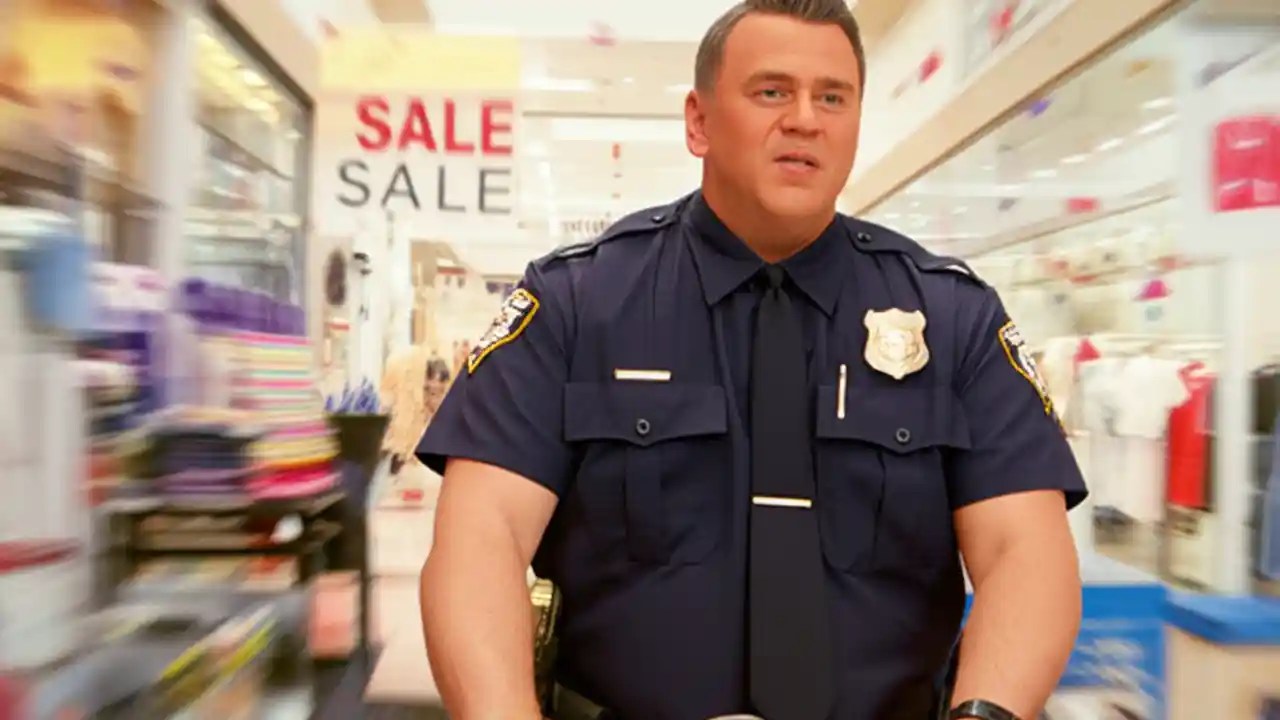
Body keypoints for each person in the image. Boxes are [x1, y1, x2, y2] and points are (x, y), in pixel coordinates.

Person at [416, 0, 1087, 718]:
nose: (805, 118)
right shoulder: (578, 302)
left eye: (832, 97)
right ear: (699, 122)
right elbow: (481, 535)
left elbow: (1026, 553)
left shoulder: (953, 318)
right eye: (772, 91)